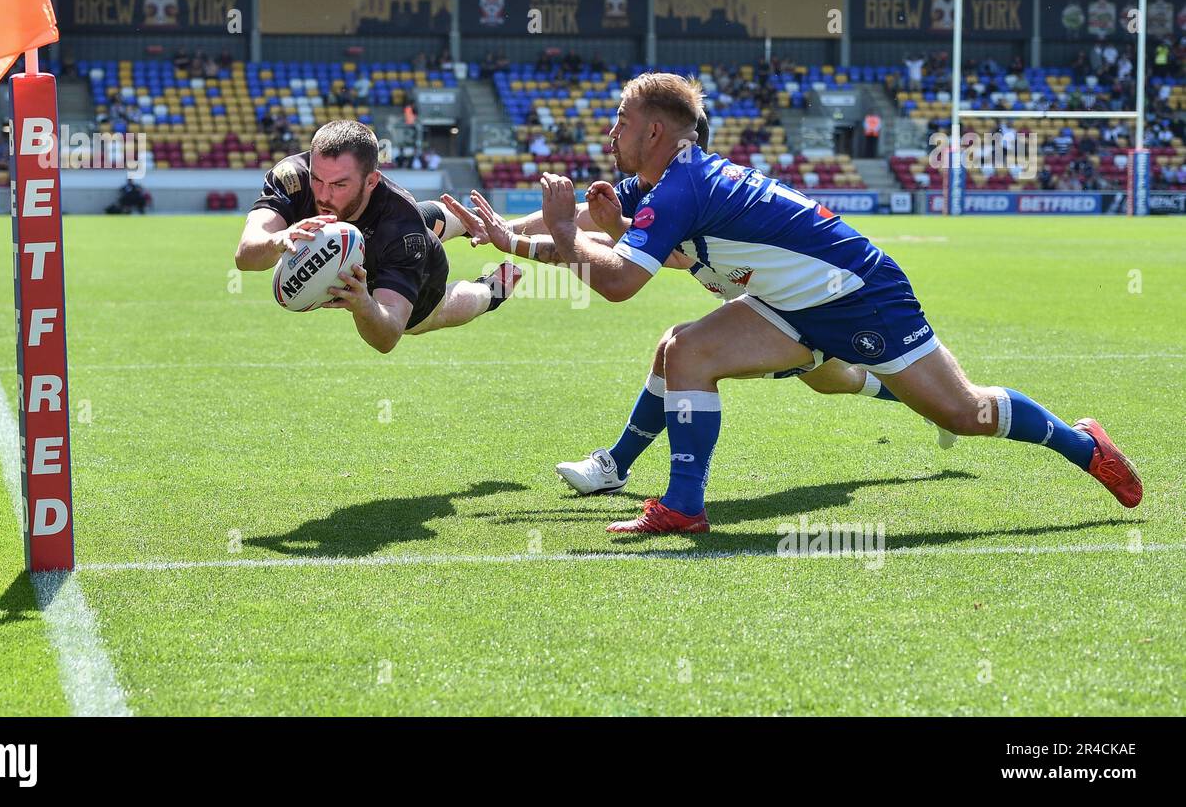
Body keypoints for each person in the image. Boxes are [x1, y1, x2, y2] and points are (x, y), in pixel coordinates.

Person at [534, 73, 1141, 533]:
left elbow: (617, 283)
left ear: (655, 132)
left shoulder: (682, 186)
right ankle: (683, 508)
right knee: (687, 349)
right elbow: (591, 220)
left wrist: (564, 233)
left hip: (861, 294)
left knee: (961, 413)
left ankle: (1084, 444)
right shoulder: (669, 179)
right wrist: (486, 233)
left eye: (620, 119)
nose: (612, 132)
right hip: (788, 305)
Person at [234, 120, 520, 352]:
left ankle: (492, 290)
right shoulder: (291, 177)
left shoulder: (401, 223)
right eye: (317, 179)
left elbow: (387, 337)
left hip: (405, 256)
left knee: (431, 315)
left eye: (339, 184)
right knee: (419, 218)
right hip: (392, 231)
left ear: (371, 181)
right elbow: (245, 257)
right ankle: (489, 226)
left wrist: (365, 305)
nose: (322, 194)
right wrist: (276, 239)